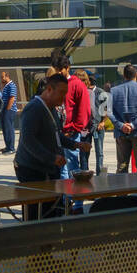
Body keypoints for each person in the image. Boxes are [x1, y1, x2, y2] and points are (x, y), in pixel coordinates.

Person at [13, 73, 78, 218]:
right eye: (61, 93)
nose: (63, 98)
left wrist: (75, 144)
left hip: (47, 169)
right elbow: (28, 140)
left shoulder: (52, 108)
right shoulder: (34, 108)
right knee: (35, 213)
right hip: (31, 170)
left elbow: (57, 135)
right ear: (49, 89)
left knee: (49, 210)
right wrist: (51, 158)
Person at [54, 51, 91, 179]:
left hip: (71, 133)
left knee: (72, 167)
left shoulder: (77, 85)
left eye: (61, 70)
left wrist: (74, 129)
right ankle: (65, 197)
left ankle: (76, 198)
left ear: (68, 68)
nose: (58, 72)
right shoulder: (55, 84)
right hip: (58, 133)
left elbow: (84, 111)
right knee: (61, 169)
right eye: (56, 70)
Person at [109, 64, 137, 173]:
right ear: (136, 74)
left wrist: (121, 125)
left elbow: (108, 112)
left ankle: (122, 190)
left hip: (121, 133)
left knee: (122, 167)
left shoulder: (113, 91)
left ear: (124, 75)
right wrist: (133, 125)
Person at [86, 73, 108, 172]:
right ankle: (85, 172)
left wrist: (103, 122)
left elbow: (107, 108)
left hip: (98, 126)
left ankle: (99, 173)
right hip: (86, 127)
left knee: (99, 152)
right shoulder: (85, 92)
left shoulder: (101, 92)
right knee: (85, 151)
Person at [0, 70, 19, 154]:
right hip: (4, 109)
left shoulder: (12, 85)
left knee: (9, 128)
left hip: (9, 110)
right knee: (5, 129)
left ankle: (11, 148)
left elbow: (12, 98)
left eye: (2, 77)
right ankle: (7, 146)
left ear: (7, 76)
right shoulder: (6, 86)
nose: (1, 79)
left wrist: (7, 109)